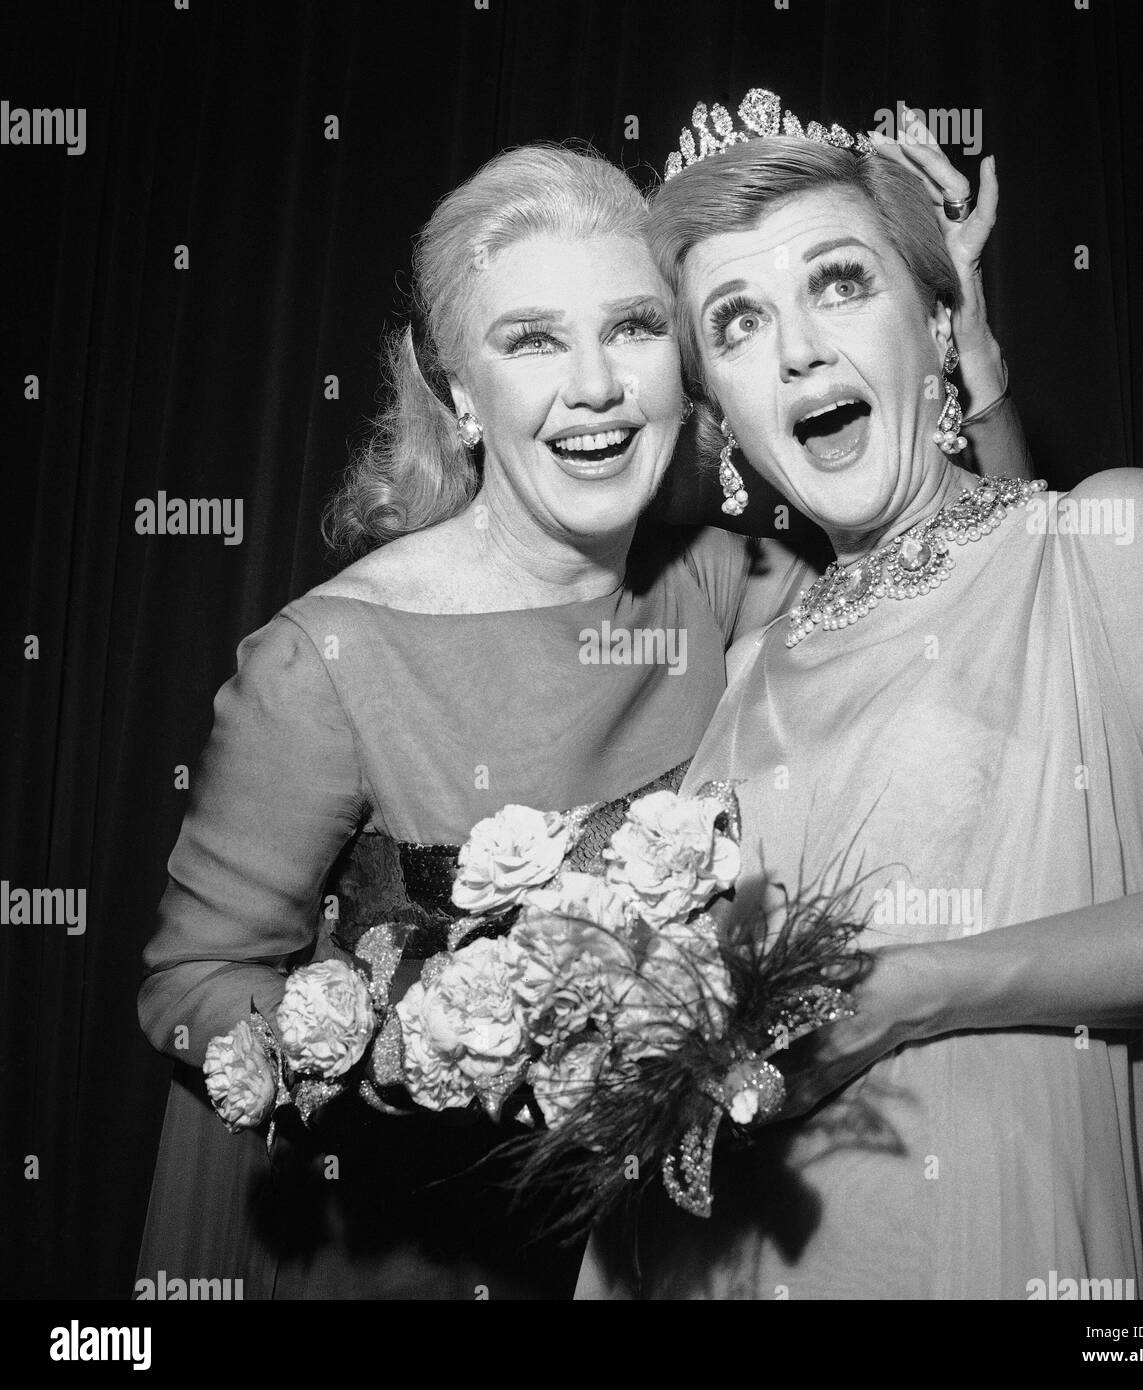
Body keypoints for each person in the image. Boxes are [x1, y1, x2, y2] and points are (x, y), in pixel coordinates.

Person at [135, 134, 1027, 1300]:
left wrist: (959, 334)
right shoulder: (328, 661)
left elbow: (988, 603)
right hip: (424, 1254)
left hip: (691, 1246)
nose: (596, 386)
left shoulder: (725, 579)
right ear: (457, 390)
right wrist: (413, 1048)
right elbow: (188, 983)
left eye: (634, 328)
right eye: (533, 340)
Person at [577, 99, 1143, 1300]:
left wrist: (916, 991)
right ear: (720, 416)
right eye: (737, 323)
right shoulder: (745, 678)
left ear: (941, 326)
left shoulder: (1106, 540)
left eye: (840, 283)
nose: (795, 350)